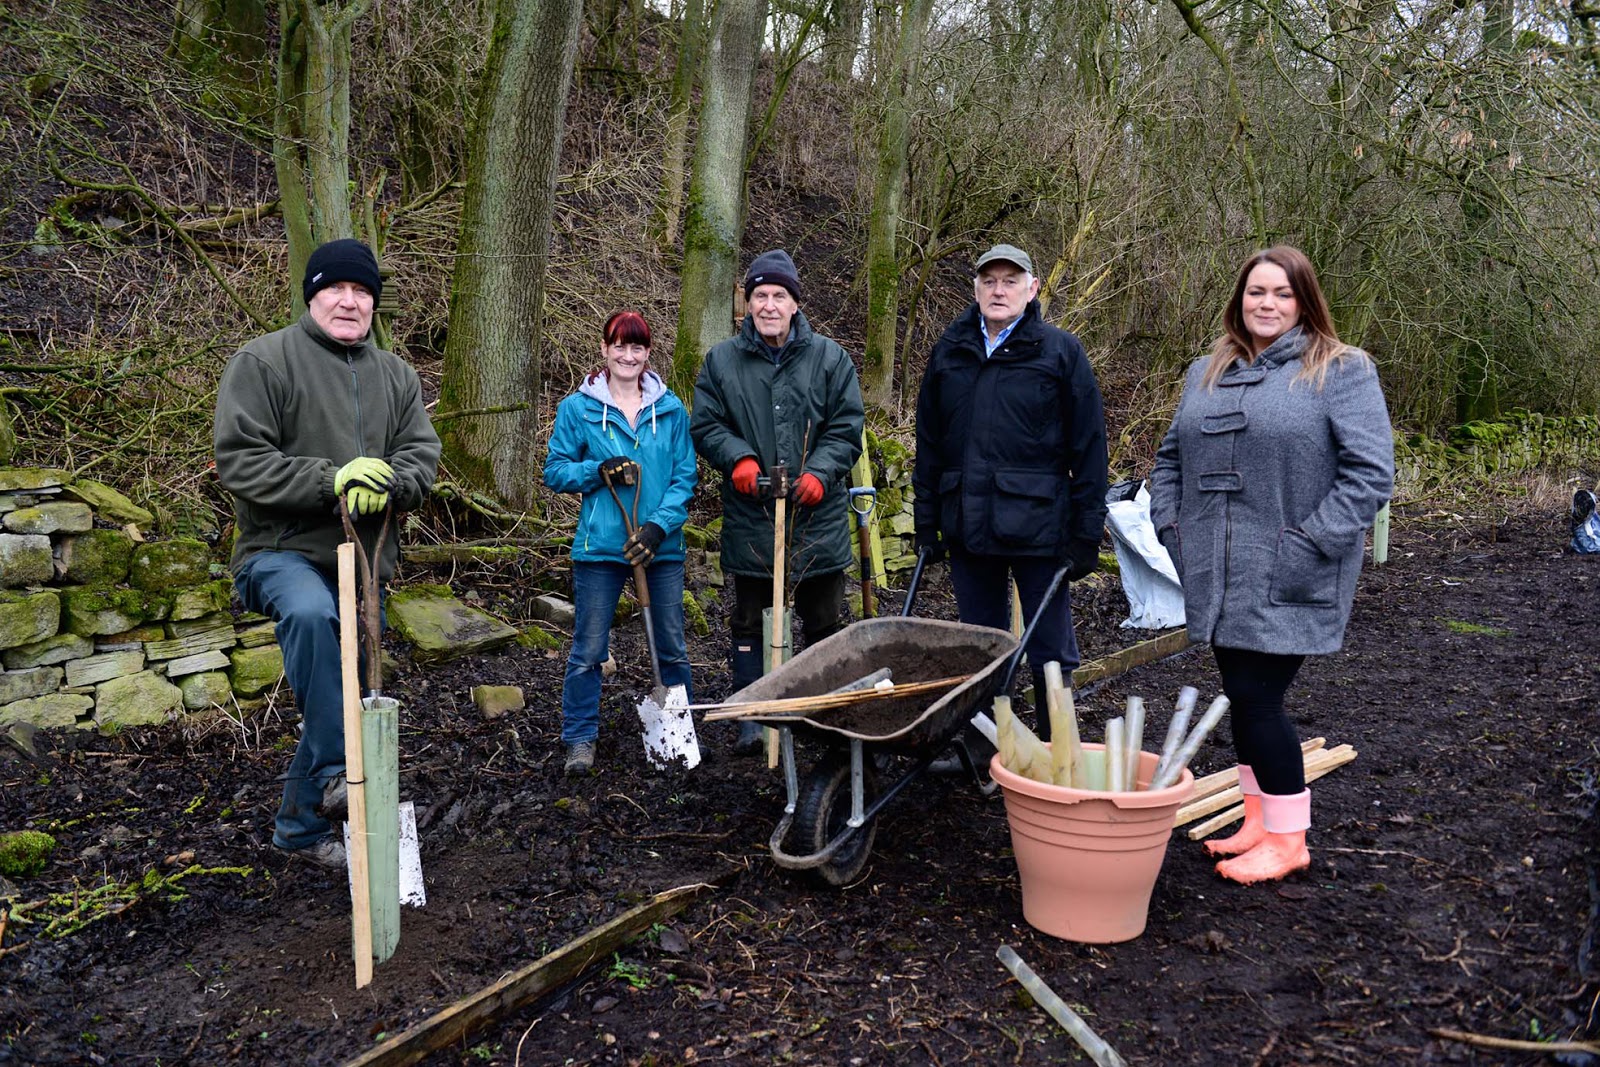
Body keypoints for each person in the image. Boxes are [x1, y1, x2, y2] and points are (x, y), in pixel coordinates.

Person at [1149, 245, 1393, 885]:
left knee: (1258, 702)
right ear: (1239, 300)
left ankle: (1289, 840)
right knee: (1243, 697)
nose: (1268, 304)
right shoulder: (1206, 370)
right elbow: (1169, 458)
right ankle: (1260, 820)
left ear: (1304, 300)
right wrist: (1171, 528)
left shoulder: (1340, 370)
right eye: (1257, 292)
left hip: (1292, 569)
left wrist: (1311, 542)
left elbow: (1370, 474)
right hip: (1216, 569)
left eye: (1283, 294)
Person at [214, 238, 441, 869]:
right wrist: (331, 481)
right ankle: (343, 775)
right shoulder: (263, 362)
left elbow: (423, 456)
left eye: (362, 292)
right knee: (316, 620)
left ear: (373, 303)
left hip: (364, 566)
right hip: (278, 554)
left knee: (347, 693)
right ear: (312, 295)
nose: (349, 301)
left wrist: (390, 483)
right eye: (335, 290)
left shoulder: (396, 375)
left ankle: (297, 830)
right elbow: (240, 459)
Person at [913, 244, 1109, 745]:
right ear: (975, 287)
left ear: (1032, 289)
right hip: (968, 525)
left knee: (1050, 650)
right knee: (982, 645)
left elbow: (1089, 448)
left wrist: (1086, 532)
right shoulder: (950, 351)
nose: (999, 290)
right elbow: (930, 443)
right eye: (989, 281)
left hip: (1041, 530)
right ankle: (988, 750)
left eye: (1010, 281)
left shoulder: (1060, 353)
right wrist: (926, 520)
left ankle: (1057, 750)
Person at [690, 249, 865, 754]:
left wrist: (821, 473)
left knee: (825, 620)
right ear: (746, 304)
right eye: (759, 295)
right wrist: (739, 459)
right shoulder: (721, 362)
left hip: (817, 515)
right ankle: (753, 714)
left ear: (795, 304)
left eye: (778, 296)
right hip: (753, 515)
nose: (768, 305)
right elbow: (706, 424)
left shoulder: (830, 359)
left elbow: (847, 427)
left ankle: (824, 712)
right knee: (750, 618)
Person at [543, 311, 698, 775]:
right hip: (600, 548)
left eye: (637, 347)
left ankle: (678, 730)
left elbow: (684, 477)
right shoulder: (579, 409)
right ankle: (580, 739)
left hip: (660, 547)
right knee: (589, 649)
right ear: (605, 349)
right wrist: (597, 470)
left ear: (648, 353)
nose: (627, 355)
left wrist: (658, 528)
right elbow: (555, 471)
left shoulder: (670, 410)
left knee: (671, 646)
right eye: (619, 346)